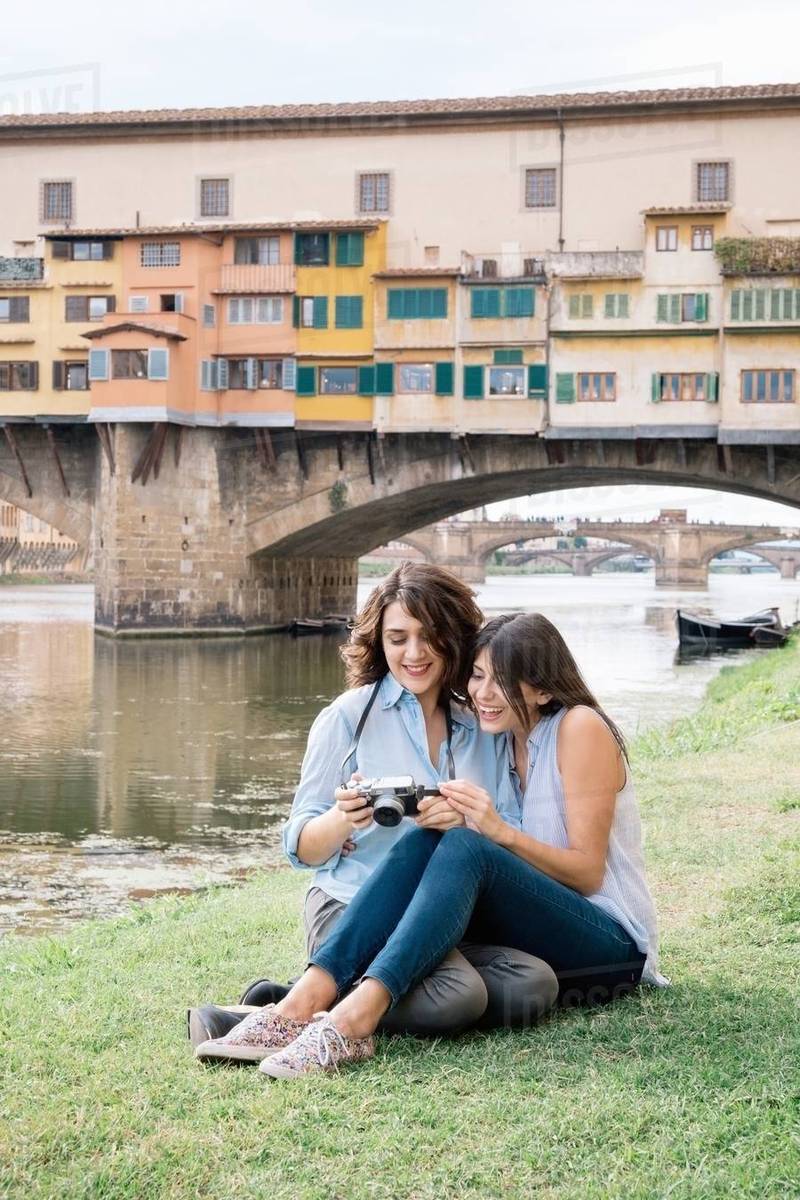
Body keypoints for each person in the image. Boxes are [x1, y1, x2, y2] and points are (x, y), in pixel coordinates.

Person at [218, 610, 667, 1079]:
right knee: (432, 836)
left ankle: (352, 1020)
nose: (483, 694)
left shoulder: (579, 727)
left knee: (466, 844)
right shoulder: (505, 738)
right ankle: (301, 1000)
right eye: (477, 676)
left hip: (610, 944)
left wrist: (494, 830)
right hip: (542, 924)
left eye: (504, 681)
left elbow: (588, 873)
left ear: (544, 689)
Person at [192, 568, 558, 1060]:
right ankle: (317, 1010)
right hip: (351, 905)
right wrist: (344, 818)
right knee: (460, 995)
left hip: (445, 917)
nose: (414, 653)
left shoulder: (482, 727)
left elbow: (509, 832)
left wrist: (468, 823)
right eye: (398, 638)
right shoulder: (348, 717)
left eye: (430, 636)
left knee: (532, 984)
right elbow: (300, 845)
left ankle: (277, 1005)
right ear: (378, 641)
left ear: (455, 636)